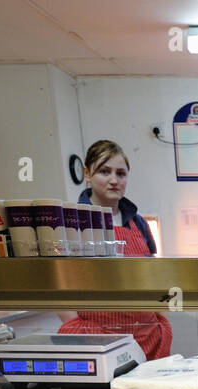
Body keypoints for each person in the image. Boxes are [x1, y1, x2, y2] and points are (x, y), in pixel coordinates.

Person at [57, 140, 171, 359]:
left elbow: (154, 275)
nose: (114, 180)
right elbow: (57, 283)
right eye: (104, 171)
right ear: (87, 174)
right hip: (99, 341)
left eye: (121, 174)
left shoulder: (138, 223)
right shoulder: (71, 222)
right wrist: (72, 324)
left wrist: (159, 319)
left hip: (149, 339)